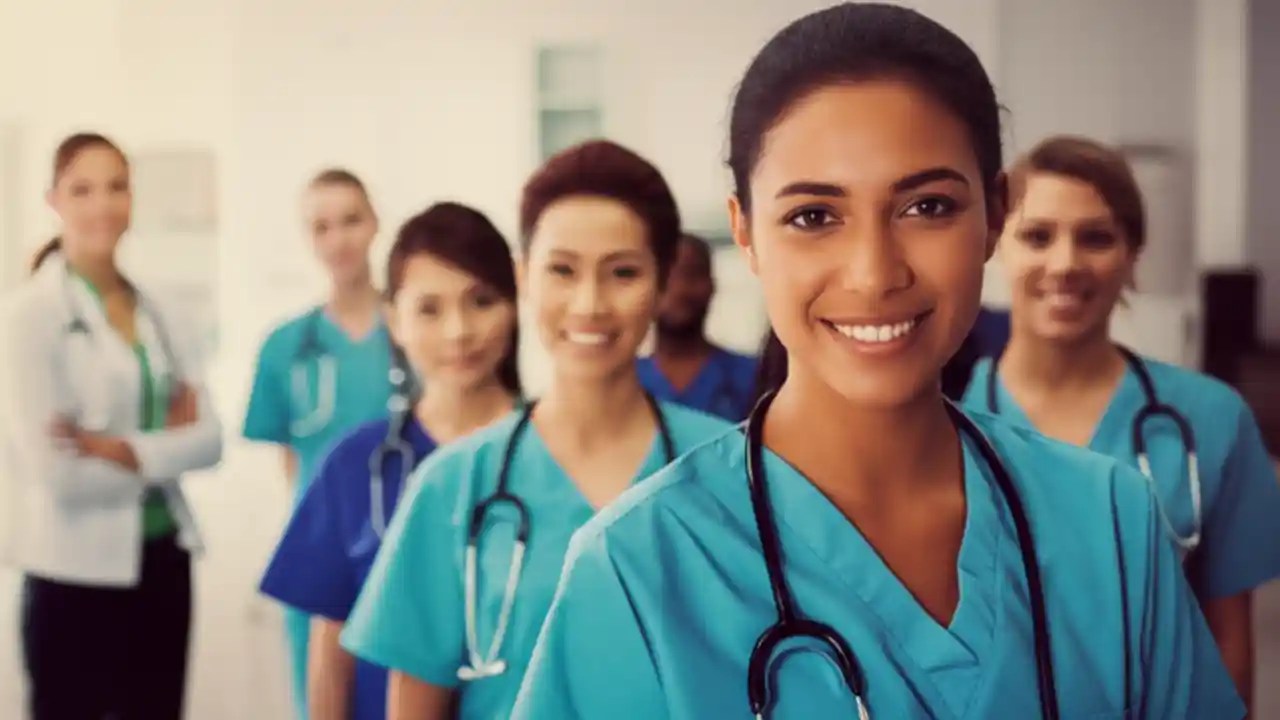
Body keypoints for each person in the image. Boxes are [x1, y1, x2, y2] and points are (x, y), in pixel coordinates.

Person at [510, 5, 1243, 719]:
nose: (874, 273)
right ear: (746, 232)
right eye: (812, 217)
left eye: (926, 207)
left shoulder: (1110, 524)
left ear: (994, 214)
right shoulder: (639, 571)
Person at [339, 140, 735, 720]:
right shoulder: (453, 484)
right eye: (562, 270)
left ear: (661, 284)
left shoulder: (727, 469)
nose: (590, 303)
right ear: (524, 277)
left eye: (622, 272)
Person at [962, 134, 1280, 710]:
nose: (1065, 263)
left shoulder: (1211, 419)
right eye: (1037, 236)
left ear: (1132, 254)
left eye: (1097, 237)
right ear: (997, 245)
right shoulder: (946, 418)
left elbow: (1228, 630)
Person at [258, 202, 522, 720]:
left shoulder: (554, 453)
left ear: (515, 304)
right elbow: (330, 660)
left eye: (482, 300)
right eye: (429, 309)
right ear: (393, 320)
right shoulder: (355, 467)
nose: (458, 331)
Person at [0, 132, 223, 719]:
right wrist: (165, 450)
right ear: (53, 200)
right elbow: (56, 476)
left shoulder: (161, 310)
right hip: (70, 574)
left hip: (163, 562)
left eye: (117, 187)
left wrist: (117, 449)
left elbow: (211, 439)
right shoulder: (30, 315)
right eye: (83, 189)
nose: (103, 204)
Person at [241, 168, 395, 719]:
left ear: (375, 222)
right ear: (308, 238)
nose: (339, 239)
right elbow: (292, 458)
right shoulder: (285, 347)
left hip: (404, 552)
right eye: (321, 226)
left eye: (351, 220)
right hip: (323, 555)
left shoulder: (415, 334)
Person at [636, 232, 758, 420]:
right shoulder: (620, 382)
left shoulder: (753, 376)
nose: (680, 289)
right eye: (666, 276)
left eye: (692, 274)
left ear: (712, 285)